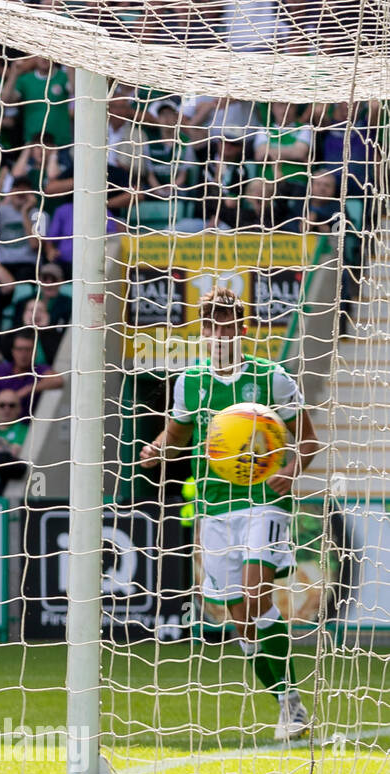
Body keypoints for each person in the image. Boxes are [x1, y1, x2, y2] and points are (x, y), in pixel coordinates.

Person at [140, 287, 319, 741]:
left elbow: (310, 442)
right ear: (203, 331)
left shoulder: (272, 377)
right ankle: (289, 703)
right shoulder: (190, 382)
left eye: (227, 325)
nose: (220, 334)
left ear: (242, 329)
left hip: (263, 498)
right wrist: (155, 450)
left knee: (256, 592)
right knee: (242, 617)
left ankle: (289, 704)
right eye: (212, 326)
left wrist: (292, 470)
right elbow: (176, 435)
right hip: (213, 507)